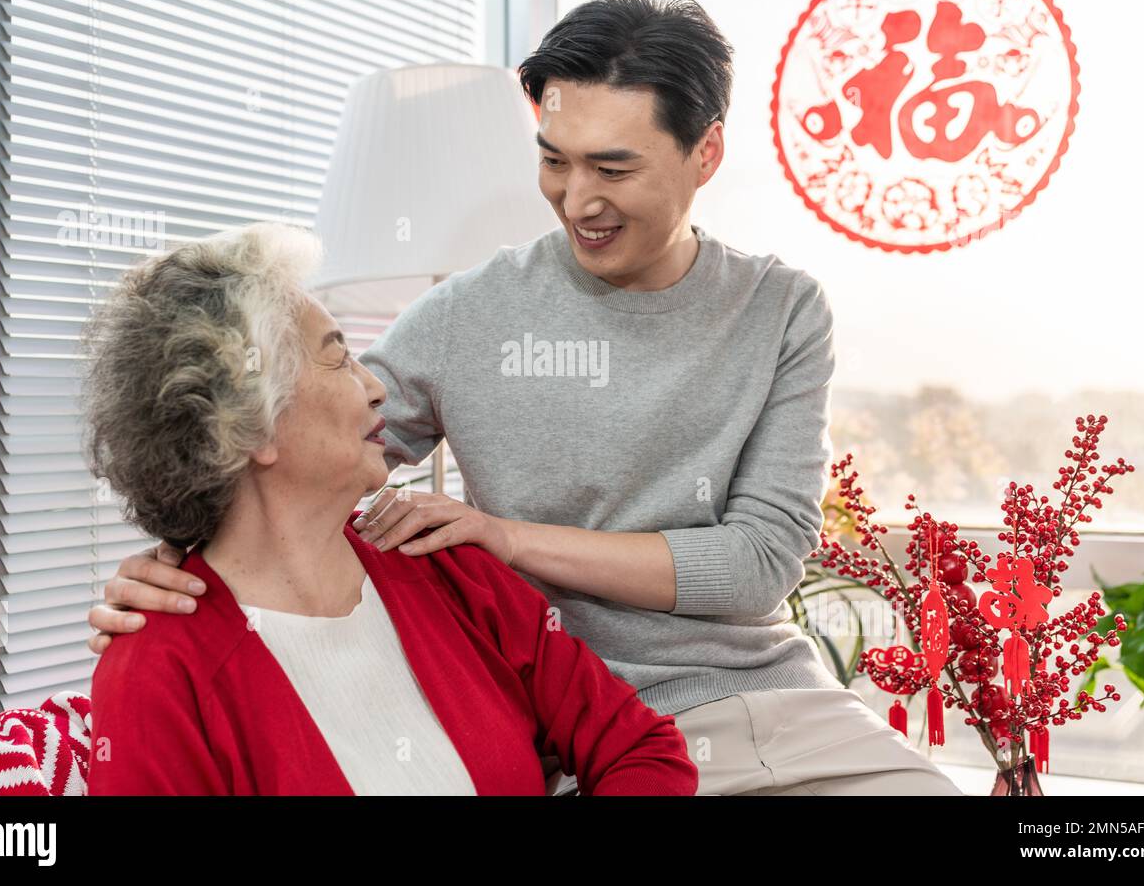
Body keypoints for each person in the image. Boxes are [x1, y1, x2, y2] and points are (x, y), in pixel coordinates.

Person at [88, 0, 963, 795]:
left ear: (707, 153)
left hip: (779, 704)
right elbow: (272, 443)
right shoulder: (469, 313)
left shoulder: (781, 310)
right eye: (555, 161)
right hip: (587, 727)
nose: (577, 200)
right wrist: (169, 569)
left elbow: (756, 565)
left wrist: (508, 536)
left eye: (613, 169)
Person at [80, 222, 697, 795]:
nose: (376, 385)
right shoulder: (156, 673)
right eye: (338, 356)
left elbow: (644, 750)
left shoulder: (445, 565)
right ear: (248, 427)